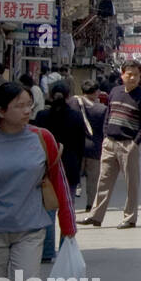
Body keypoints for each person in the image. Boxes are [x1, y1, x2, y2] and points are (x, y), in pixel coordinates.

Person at [0, 81, 77, 281]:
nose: (27, 110)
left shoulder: (42, 138)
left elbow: (59, 180)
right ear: (1, 111)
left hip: (30, 229)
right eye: (19, 105)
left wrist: (68, 225)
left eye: (29, 103)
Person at [83, 60, 141, 229]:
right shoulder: (114, 92)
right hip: (110, 143)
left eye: (136, 75)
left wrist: (136, 142)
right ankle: (96, 216)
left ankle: (130, 218)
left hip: (128, 145)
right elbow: (108, 113)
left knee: (131, 183)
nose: (132, 78)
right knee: (103, 181)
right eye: (129, 74)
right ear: (122, 74)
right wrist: (106, 134)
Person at [33, 80, 86, 262]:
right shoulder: (76, 117)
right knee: (66, 208)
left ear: (49, 95)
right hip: (69, 167)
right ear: (69, 96)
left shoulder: (41, 116)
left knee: (47, 210)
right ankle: (64, 251)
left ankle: (47, 252)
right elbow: (80, 146)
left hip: (46, 167)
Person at [74, 81, 108, 206]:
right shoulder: (102, 109)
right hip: (94, 148)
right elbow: (105, 130)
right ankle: (91, 206)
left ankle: (70, 203)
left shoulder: (73, 104)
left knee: (72, 178)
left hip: (76, 147)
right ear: (95, 92)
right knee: (93, 180)